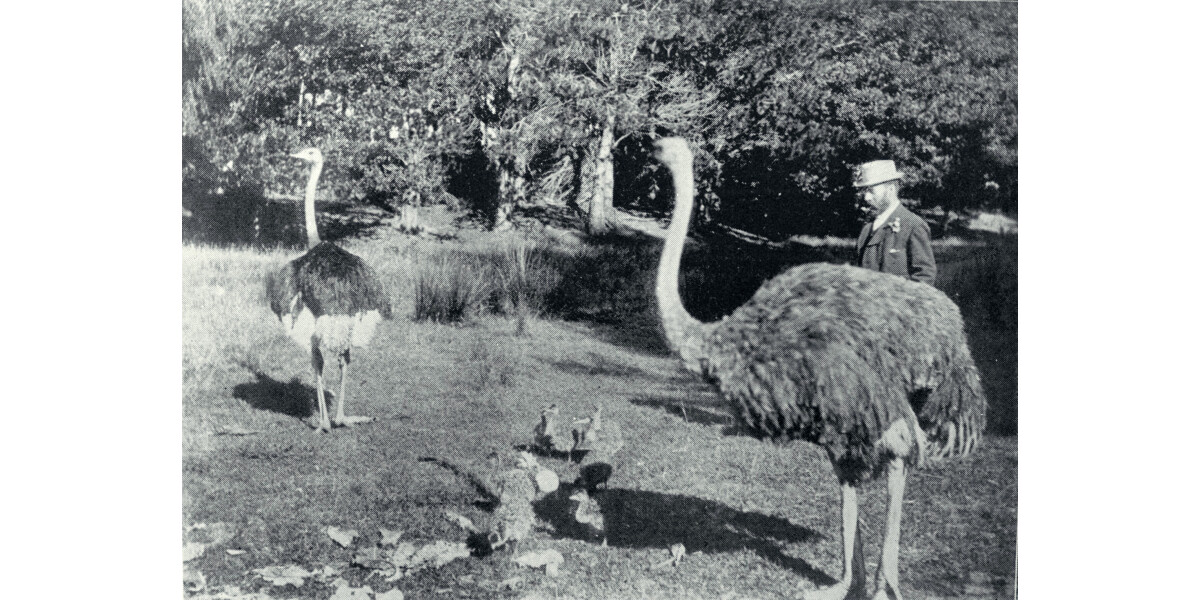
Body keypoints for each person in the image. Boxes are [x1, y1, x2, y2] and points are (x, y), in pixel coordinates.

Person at [853, 160, 937, 285]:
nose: (866, 197)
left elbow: (924, 279)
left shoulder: (913, 226)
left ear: (890, 189)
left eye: (871, 191)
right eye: (865, 191)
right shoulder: (866, 231)